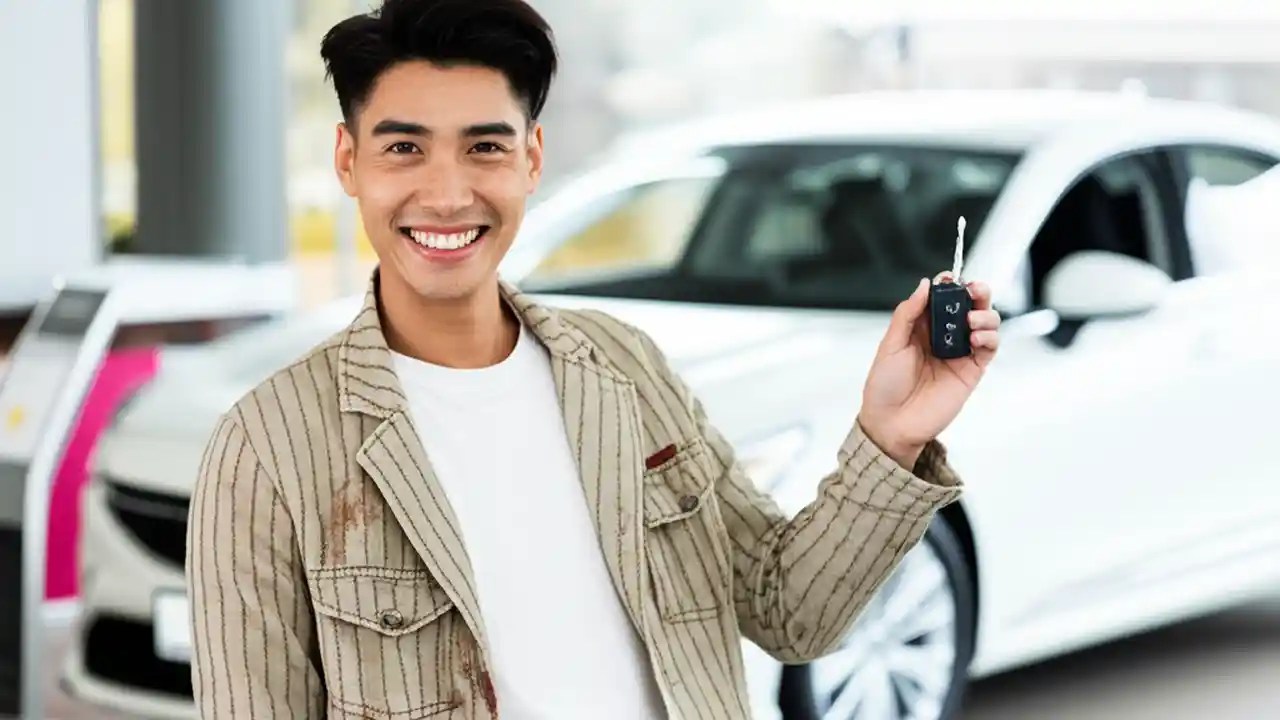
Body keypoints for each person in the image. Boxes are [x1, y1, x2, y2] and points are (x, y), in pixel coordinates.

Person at [185, 0, 1002, 717]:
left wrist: (890, 436)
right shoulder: (266, 449)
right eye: (404, 149)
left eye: (484, 148)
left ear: (531, 159)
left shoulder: (624, 369)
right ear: (347, 161)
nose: (445, 194)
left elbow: (790, 612)